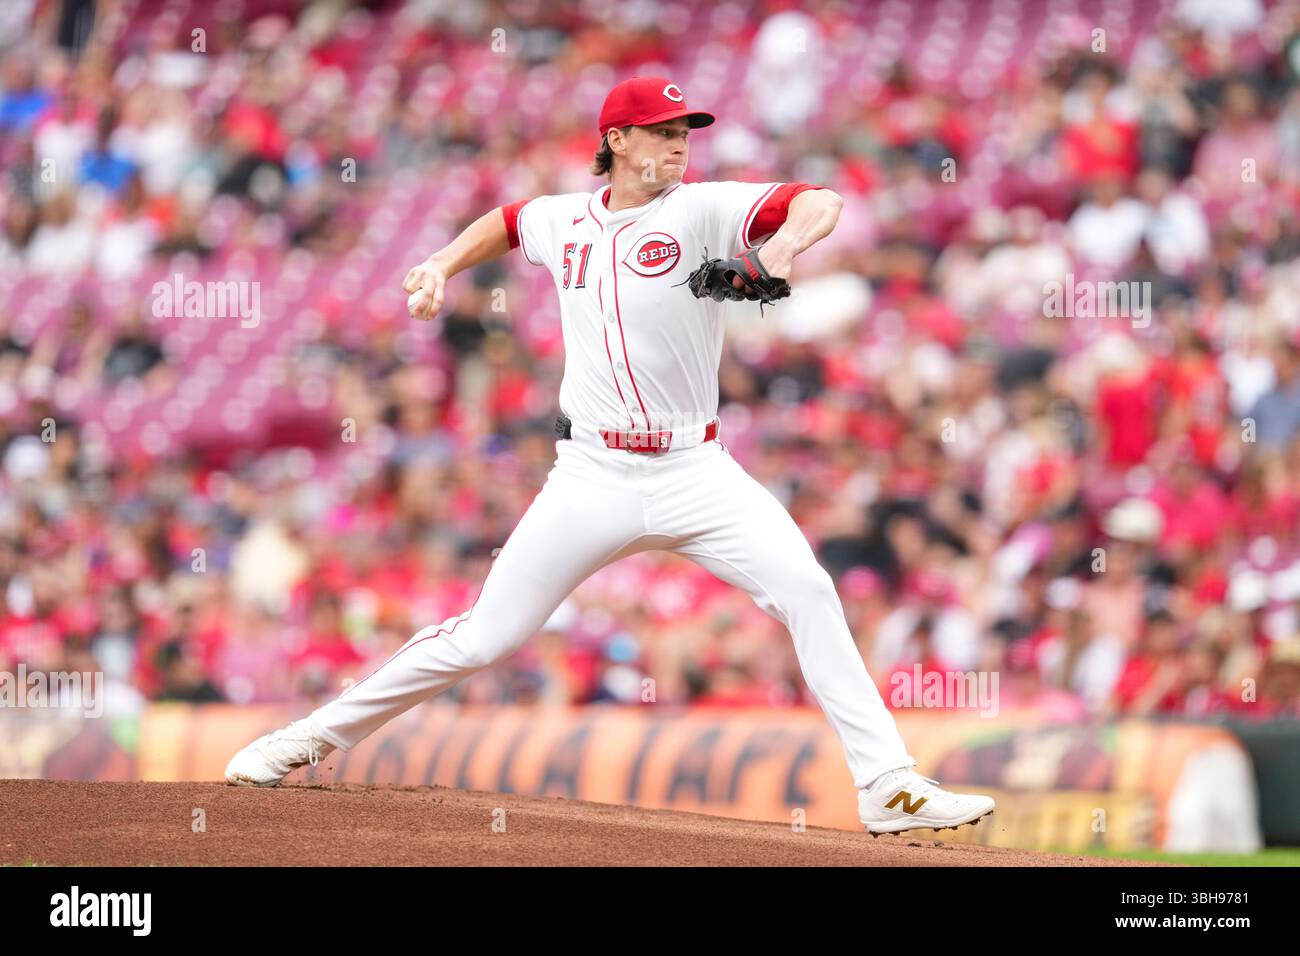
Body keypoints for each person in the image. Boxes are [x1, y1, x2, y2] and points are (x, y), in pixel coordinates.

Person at [224, 76, 995, 836]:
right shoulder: (565, 220)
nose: (679, 145)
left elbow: (820, 200)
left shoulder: (704, 208)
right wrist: (439, 265)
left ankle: (886, 782)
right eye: (663, 131)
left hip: (697, 470)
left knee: (808, 588)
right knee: (484, 637)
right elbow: (509, 219)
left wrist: (784, 247)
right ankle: (309, 740)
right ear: (617, 141)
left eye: (685, 132)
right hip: (592, 473)